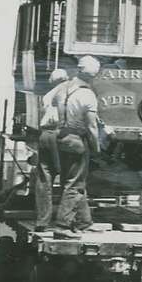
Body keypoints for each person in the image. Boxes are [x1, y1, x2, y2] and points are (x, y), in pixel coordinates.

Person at [56, 55, 101, 231]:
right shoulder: (88, 95)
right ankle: (63, 224)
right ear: (92, 76)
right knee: (74, 185)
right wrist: (96, 148)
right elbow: (92, 127)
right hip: (77, 141)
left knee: (73, 180)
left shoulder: (64, 89)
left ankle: (84, 221)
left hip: (63, 137)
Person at [34, 68, 70, 231]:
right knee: (68, 177)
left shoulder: (48, 95)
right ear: (66, 79)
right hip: (60, 134)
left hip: (45, 134)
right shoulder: (71, 91)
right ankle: (65, 221)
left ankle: (43, 221)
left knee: (44, 178)